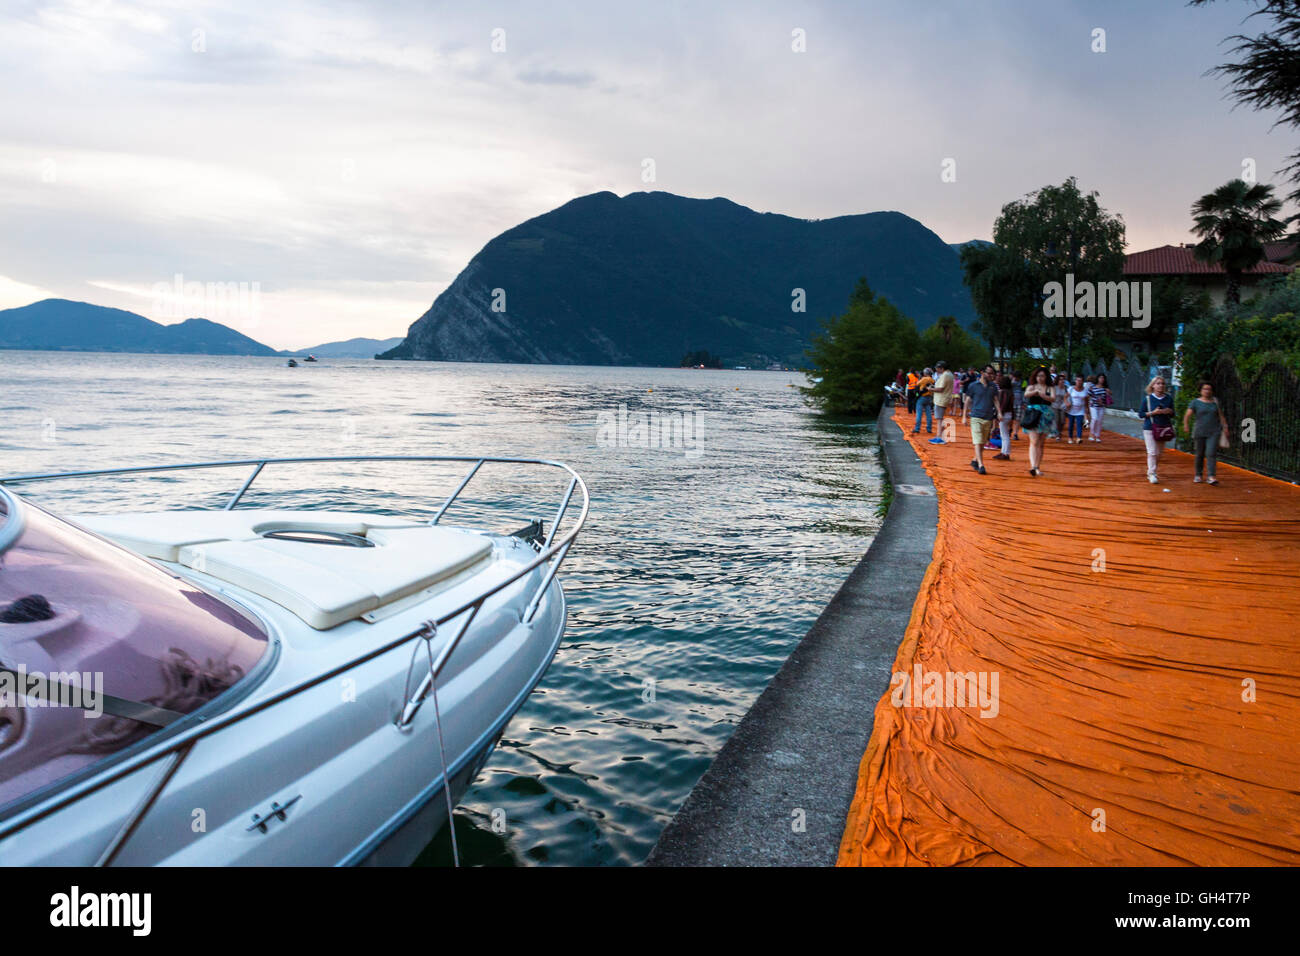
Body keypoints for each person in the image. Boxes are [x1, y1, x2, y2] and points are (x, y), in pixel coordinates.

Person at [1182, 381, 1230, 484]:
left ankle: (1211, 476)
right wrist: (1186, 425)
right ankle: (1198, 474)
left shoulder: (1215, 402)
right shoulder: (1195, 402)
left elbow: (1221, 416)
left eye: (1209, 389)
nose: (1207, 391)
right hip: (1199, 431)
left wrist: (1225, 427)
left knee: (1211, 453)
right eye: (1205, 389)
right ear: (1200, 390)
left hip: (1214, 431)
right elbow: (1187, 415)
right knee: (1199, 454)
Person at [1140, 375, 1176, 483]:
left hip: (1163, 427)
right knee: (1152, 452)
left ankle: (1152, 470)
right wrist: (1153, 413)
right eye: (1158, 383)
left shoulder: (1168, 398)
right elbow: (1141, 414)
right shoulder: (1147, 399)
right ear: (1153, 386)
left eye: (1162, 383)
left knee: (1159, 452)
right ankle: (1152, 473)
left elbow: (1173, 413)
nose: (1160, 385)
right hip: (1150, 427)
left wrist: (1169, 411)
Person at [963, 364, 998, 474]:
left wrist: (999, 413)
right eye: (989, 373)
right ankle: (981, 465)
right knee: (978, 441)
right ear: (982, 373)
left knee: (982, 442)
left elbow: (996, 400)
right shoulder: (973, 386)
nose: (990, 375)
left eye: (992, 373)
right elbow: (967, 400)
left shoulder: (993, 386)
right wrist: (964, 416)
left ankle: (975, 460)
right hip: (976, 416)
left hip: (988, 417)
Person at [1022, 366, 1057, 476]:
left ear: (1046, 377)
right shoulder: (1032, 386)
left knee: (1041, 443)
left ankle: (1037, 466)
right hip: (1033, 415)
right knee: (1034, 441)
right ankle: (1033, 466)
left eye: (1042, 376)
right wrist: (1035, 391)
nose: (1040, 378)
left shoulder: (1050, 388)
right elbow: (1026, 394)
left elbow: (1053, 398)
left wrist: (1043, 395)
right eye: (1038, 376)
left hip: (1046, 415)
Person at [930, 361, 954, 443]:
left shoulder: (945, 375)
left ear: (942, 368)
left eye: (937, 368)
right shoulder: (950, 374)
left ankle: (939, 437)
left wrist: (930, 389)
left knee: (939, 419)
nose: (936, 370)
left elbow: (940, 389)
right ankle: (939, 435)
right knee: (940, 418)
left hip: (941, 399)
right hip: (944, 398)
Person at [993, 374, 1016, 460]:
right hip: (1009, 414)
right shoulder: (1010, 392)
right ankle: (1004, 452)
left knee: (1004, 435)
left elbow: (1003, 404)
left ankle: (1005, 453)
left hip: (1004, 414)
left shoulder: (1003, 392)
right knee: (1005, 435)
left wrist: (999, 414)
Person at [1088, 373, 1112, 442]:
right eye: (1100, 378)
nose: (1102, 379)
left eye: (1103, 378)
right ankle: (1091, 434)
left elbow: (1110, 394)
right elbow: (1088, 396)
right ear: (1097, 379)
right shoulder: (1093, 387)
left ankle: (1097, 436)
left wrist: (1108, 392)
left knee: (1099, 421)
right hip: (1093, 406)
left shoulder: (1105, 388)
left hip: (1101, 406)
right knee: (1094, 419)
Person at [1066, 375, 1089, 444]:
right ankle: (1070, 437)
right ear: (1075, 381)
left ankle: (1079, 438)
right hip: (1071, 409)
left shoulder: (1085, 390)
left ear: (1082, 382)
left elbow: (1086, 400)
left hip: (1080, 410)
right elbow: (1065, 397)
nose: (1079, 382)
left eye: (1080, 380)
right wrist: (1066, 403)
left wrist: (1087, 408)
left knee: (1079, 424)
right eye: (1077, 380)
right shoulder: (1071, 389)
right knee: (1071, 424)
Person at [912, 367, 935, 434]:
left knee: (919, 413)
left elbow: (917, 384)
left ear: (925, 373)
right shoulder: (932, 380)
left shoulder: (924, 379)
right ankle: (929, 428)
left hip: (922, 397)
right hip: (929, 398)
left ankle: (917, 428)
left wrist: (920, 378)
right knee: (928, 414)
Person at [1051, 374, 1068, 440]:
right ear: (1058, 380)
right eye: (1060, 379)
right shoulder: (1054, 387)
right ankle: (1057, 434)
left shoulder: (1066, 388)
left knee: (1063, 421)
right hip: (1054, 406)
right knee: (1057, 420)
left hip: (1062, 406)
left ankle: (1059, 431)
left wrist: (1067, 403)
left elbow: (1068, 396)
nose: (1062, 381)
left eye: (1063, 379)